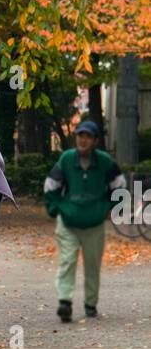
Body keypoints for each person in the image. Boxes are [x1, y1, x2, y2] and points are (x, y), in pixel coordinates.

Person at [43, 119, 125, 321]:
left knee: (92, 264)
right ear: (76, 138)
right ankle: (65, 302)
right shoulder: (66, 159)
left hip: (94, 223)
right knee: (67, 260)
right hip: (69, 221)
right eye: (80, 135)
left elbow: (120, 187)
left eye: (88, 136)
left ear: (95, 140)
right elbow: (50, 187)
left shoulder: (105, 161)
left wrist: (110, 209)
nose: (83, 139)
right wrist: (57, 209)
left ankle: (90, 304)